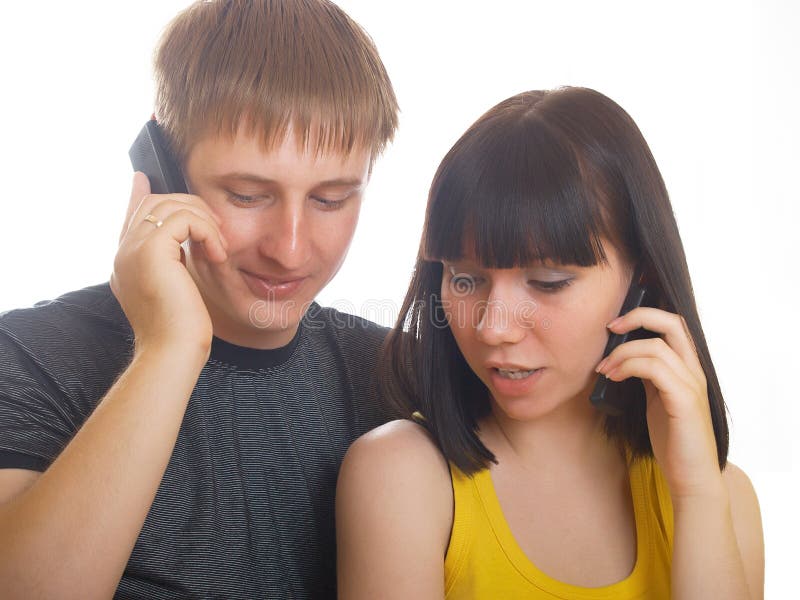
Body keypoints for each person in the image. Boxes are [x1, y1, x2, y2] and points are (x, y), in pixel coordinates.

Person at [0, 1, 398, 598]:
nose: (290, 251)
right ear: (163, 172)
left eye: (331, 200)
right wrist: (168, 350)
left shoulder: (390, 370)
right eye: (246, 195)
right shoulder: (30, 356)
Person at [336, 87, 764, 599]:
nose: (494, 328)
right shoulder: (404, 480)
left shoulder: (722, 497)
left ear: (641, 277)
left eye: (548, 282)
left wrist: (696, 495)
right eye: (465, 278)